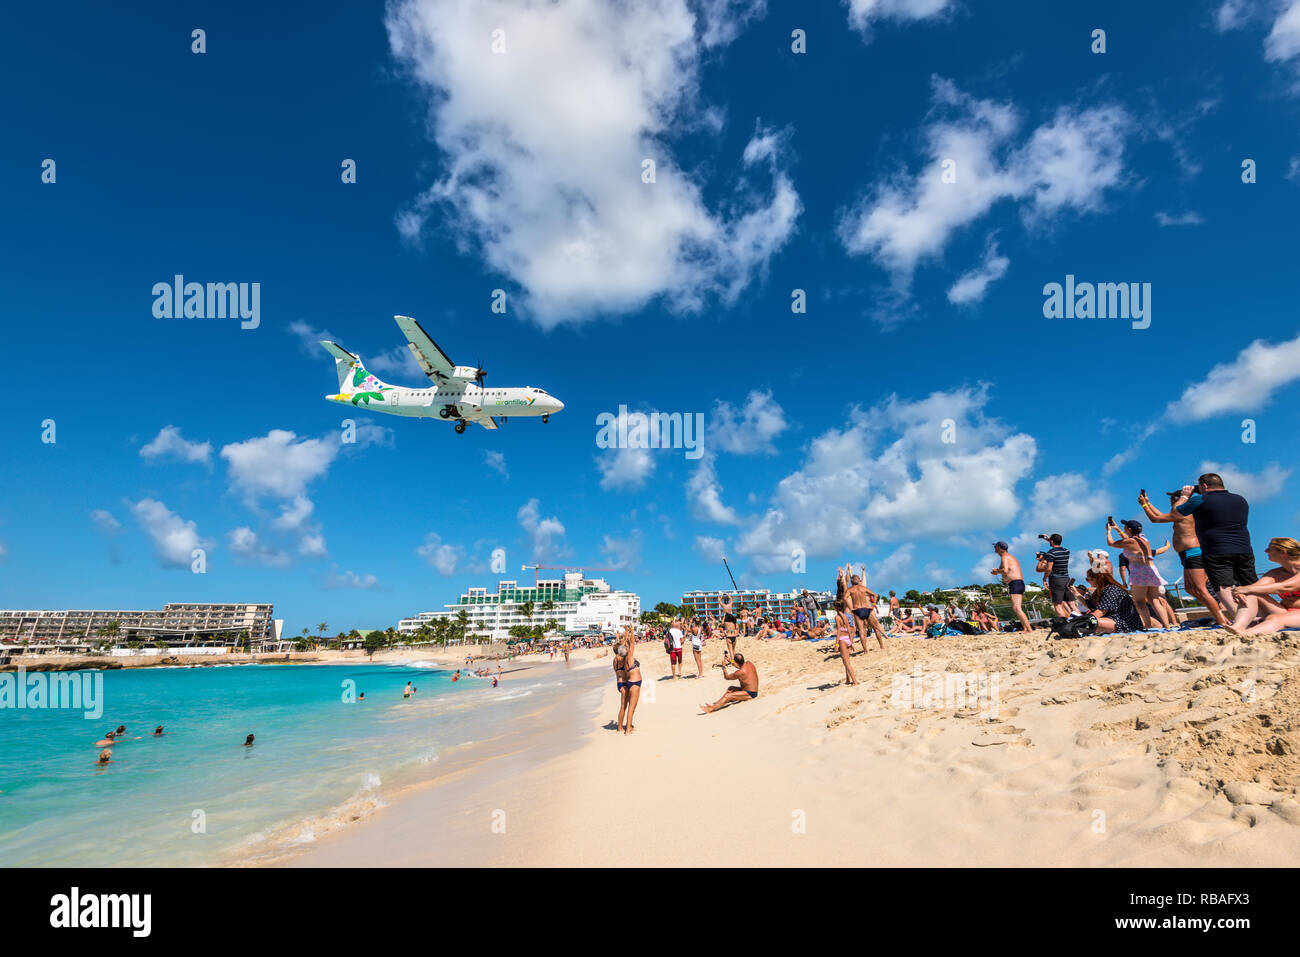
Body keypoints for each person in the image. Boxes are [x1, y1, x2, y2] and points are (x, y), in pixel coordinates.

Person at [1173, 474, 1258, 630]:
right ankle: (1259, 616)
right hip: (1244, 548)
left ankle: (1242, 620)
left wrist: (1185, 496)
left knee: (1223, 588)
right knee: (1250, 586)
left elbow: (1178, 512)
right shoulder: (1240, 499)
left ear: (1204, 485)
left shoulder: (1200, 500)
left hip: (1217, 550)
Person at [1139, 489, 1228, 626]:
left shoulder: (1184, 511)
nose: (1171, 500)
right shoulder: (1180, 512)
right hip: (1186, 553)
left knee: (1200, 589)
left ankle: (1222, 619)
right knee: (1190, 589)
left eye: (1173, 498)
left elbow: (1156, 519)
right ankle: (1218, 614)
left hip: (1192, 551)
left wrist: (1144, 506)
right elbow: (1161, 515)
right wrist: (1148, 503)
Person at [1105, 519, 1173, 628]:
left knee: (1139, 601)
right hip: (1152, 571)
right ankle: (1167, 625)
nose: (1124, 528)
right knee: (1154, 600)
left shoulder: (1131, 541)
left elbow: (1111, 543)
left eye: (1125, 527)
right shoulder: (1144, 539)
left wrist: (1108, 531)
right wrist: (1117, 529)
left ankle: (1148, 625)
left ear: (1129, 529)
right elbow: (1129, 540)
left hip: (1139, 572)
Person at [1226, 537, 1300, 635]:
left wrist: (1245, 589)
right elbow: (1254, 588)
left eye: (1270, 548)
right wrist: (1241, 592)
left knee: (1274, 618)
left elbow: (1286, 587)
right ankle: (1238, 626)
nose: (1266, 550)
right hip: (1285, 610)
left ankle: (1246, 634)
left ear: (1282, 552)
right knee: (1252, 593)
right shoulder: (1275, 573)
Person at [1073, 570, 1144, 634]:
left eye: (1088, 579)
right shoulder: (1102, 590)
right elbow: (1091, 606)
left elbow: (1099, 613)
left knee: (1092, 622)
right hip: (1113, 619)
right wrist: (1076, 593)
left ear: (1097, 579)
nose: (1087, 581)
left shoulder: (1111, 590)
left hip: (1125, 622)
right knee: (1089, 622)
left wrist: (1079, 620)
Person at [991, 542, 1033, 633]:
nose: (994, 548)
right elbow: (1006, 570)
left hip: (1015, 583)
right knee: (1016, 607)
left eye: (995, 546)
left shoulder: (1005, 557)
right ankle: (1026, 628)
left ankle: (1029, 629)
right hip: (1018, 583)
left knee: (1017, 607)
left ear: (1000, 548)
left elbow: (1005, 571)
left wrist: (996, 571)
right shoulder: (1010, 557)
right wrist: (998, 571)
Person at [1035, 533, 1073, 617]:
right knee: (1071, 604)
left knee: (1058, 605)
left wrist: (1040, 561)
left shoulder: (1050, 554)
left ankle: (1065, 624)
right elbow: (1057, 546)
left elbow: (1043, 569)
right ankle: (1081, 621)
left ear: (1052, 541)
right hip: (1066, 578)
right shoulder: (1066, 551)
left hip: (1056, 580)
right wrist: (1050, 540)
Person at [613, 627, 642, 735]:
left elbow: (624, 645)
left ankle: (623, 726)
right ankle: (627, 729)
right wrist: (631, 631)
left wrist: (626, 633)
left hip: (627, 682)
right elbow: (631, 644)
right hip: (628, 683)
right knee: (628, 707)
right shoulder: (624, 658)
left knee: (628, 706)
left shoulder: (621, 657)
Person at [833, 600, 858, 685]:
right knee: (846, 661)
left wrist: (836, 644)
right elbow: (850, 630)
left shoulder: (837, 617)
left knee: (846, 662)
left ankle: (855, 681)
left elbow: (839, 630)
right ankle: (848, 680)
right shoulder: (846, 616)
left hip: (842, 639)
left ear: (835, 608)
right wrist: (851, 642)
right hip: (847, 638)